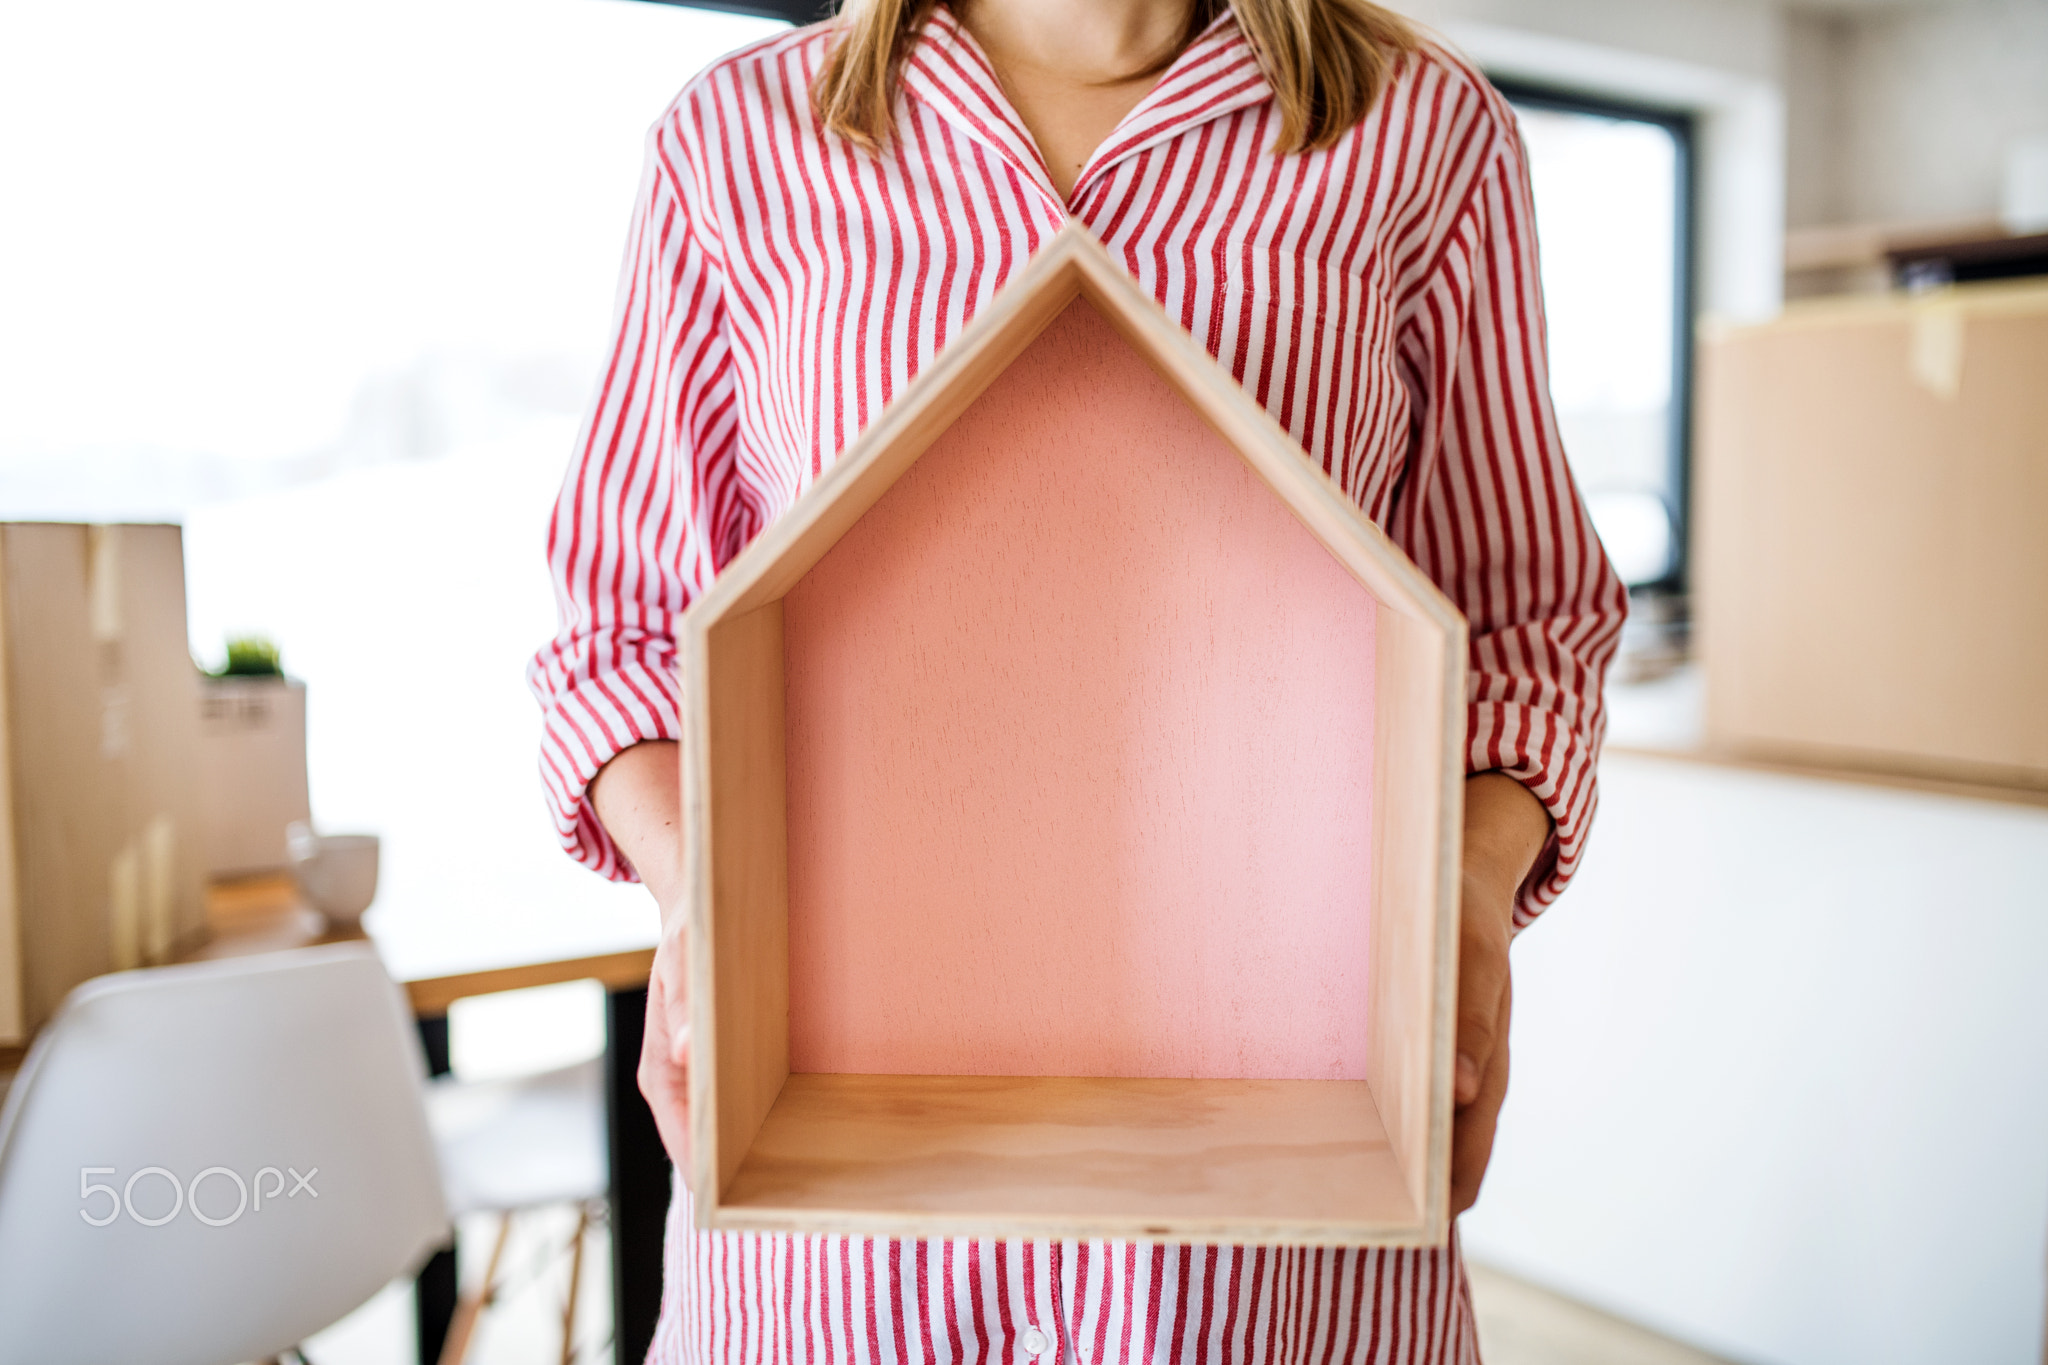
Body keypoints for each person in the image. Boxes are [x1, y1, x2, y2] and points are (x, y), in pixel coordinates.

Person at [528, 0, 1626, 1357]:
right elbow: (626, 638)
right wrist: (705, 893)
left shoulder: (1424, 137)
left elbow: (1521, 632)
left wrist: (1462, 888)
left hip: (1279, 1241)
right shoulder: (736, 145)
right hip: (837, 1257)